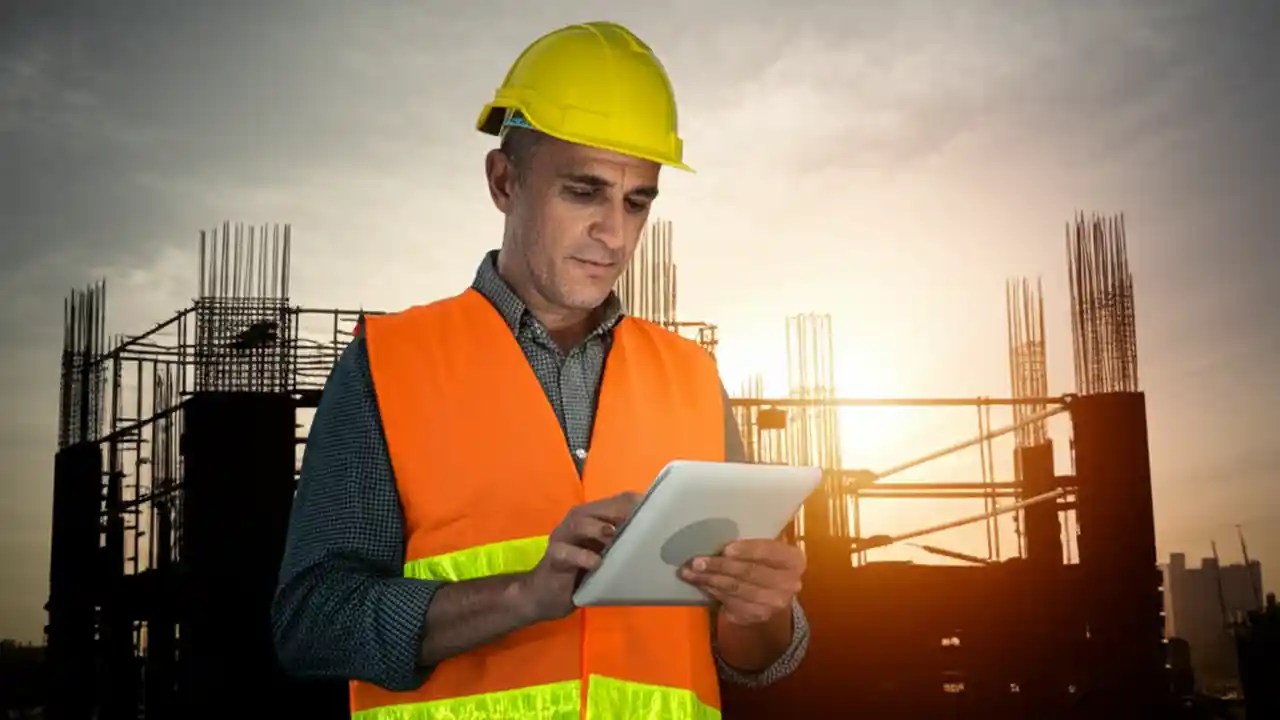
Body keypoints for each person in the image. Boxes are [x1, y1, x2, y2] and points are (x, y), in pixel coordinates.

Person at [271, 20, 810, 719]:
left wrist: (761, 611)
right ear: (505, 181)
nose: (614, 233)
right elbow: (313, 623)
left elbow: (752, 659)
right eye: (583, 192)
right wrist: (521, 596)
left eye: (636, 202)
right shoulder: (390, 364)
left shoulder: (693, 379)